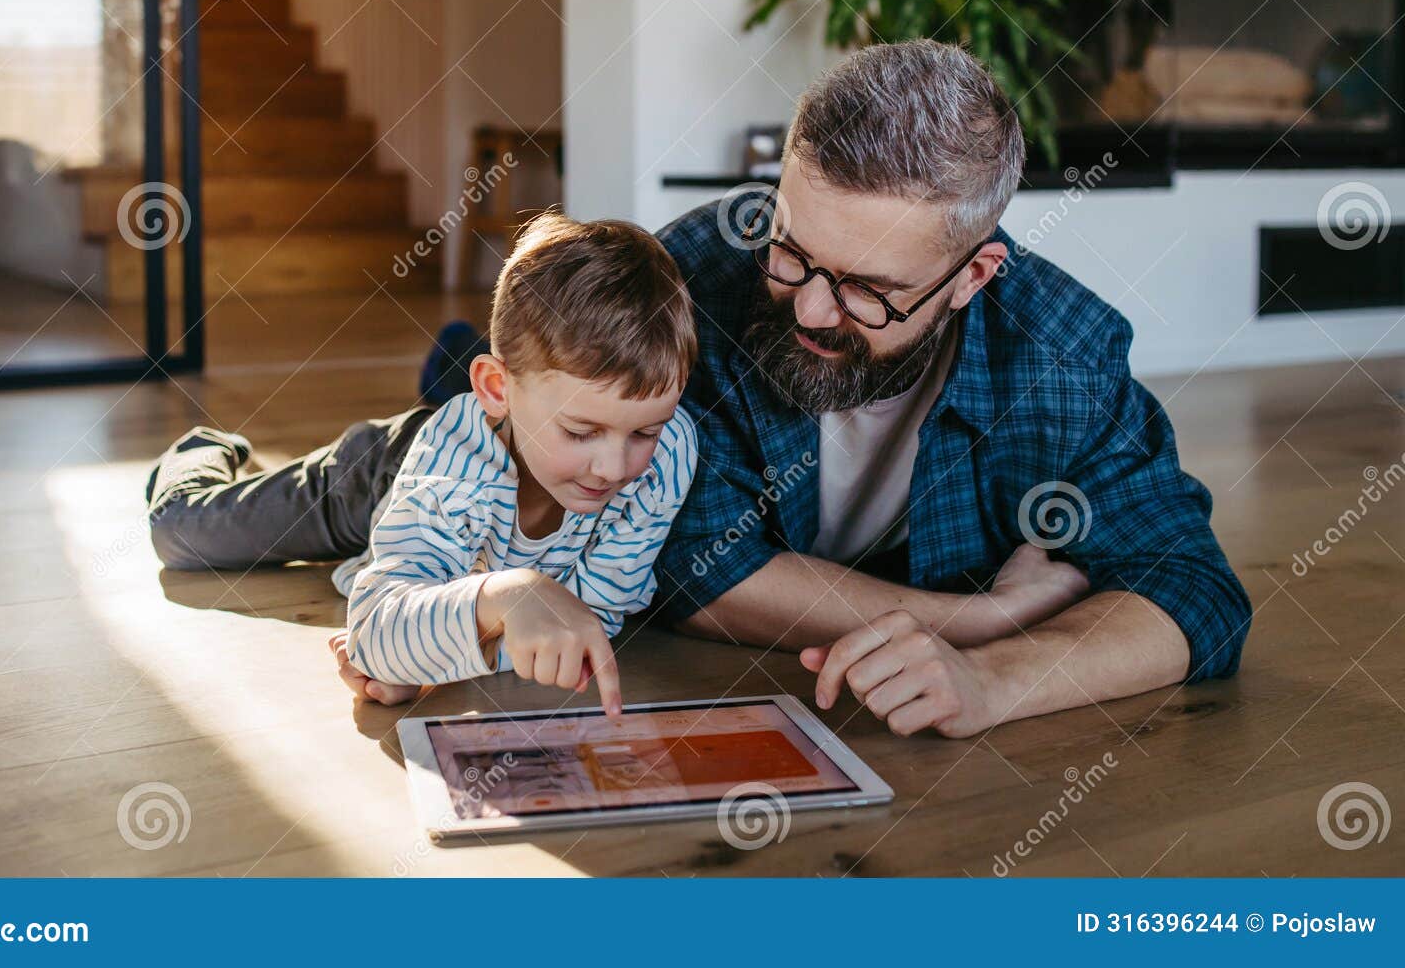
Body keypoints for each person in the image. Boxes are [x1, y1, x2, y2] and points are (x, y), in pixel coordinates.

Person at [652, 39, 1252, 738]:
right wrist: (987, 619)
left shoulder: (1060, 353)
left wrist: (995, 679)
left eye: (869, 290)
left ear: (973, 276)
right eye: (790, 250)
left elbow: (1192, 590)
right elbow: (688, 563)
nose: (811, 310)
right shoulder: (686, 283)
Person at [144, 212, 700, 715]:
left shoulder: (668, 454)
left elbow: (585, 628)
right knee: (182, 533)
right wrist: (506, 598)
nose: (613, 467)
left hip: (487, 444)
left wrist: (430, 657)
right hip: (384, 472)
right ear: (497, 389)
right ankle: (202, 449)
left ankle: (453, 353)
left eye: (643, 431)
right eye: (582, 431)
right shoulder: (449, 468)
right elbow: (376, 634)